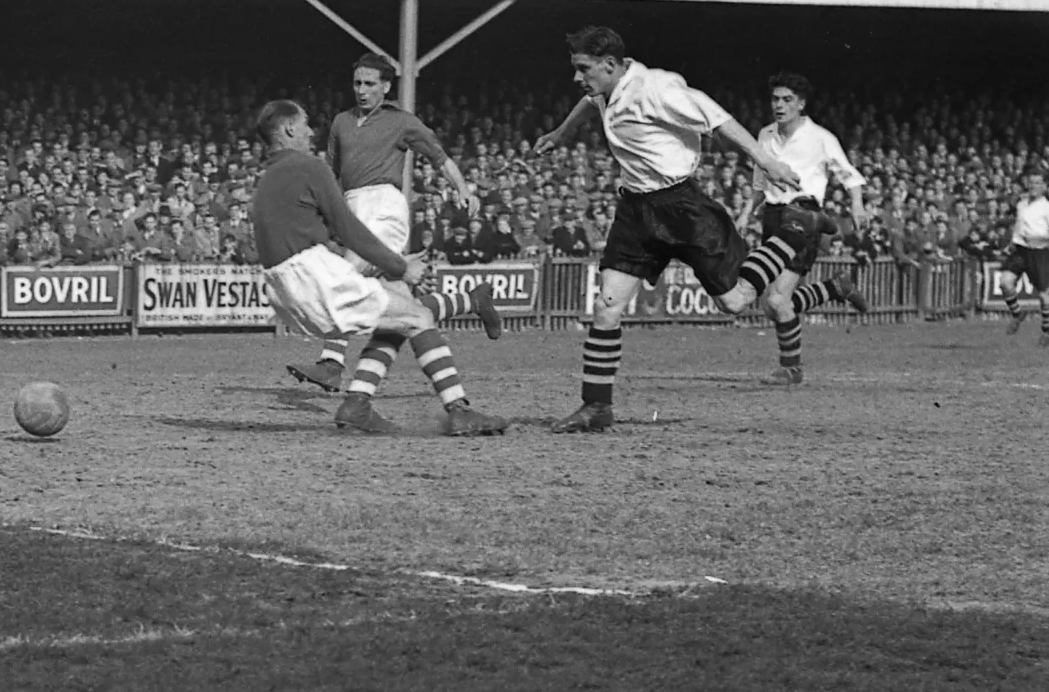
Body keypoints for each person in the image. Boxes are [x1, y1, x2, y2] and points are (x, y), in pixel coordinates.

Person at [534, 26, 805, 432]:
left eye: (583, 68)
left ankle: (797, 233)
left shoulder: (656, 88)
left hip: (683, 207)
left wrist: (766, 162)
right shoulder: (608, 87)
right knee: (607, 305)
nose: (577, 77)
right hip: (635, 211)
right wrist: (560, 133)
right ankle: (596, 406)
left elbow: (717, 118)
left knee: (735, 302)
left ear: (610, 64)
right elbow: (592, 102)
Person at [250, 98, 504, 436]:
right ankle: (459, 410)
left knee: (398, 312)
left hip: (284, 294)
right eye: (307, 124)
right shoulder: (309, 167)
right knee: (417, 318)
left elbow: (316, 234)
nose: (312, 131)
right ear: (290, 129)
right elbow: (349, 229)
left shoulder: (266, 182)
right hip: (315, 277)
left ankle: (356, 403)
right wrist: (400, 266)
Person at [287, 53, 497, 394]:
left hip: (384, 205)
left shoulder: (402, 122)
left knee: (347, 276)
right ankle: (472, 302)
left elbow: (439, 158)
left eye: (370, 84)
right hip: (354, 208)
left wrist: (463, 189)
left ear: (386, 87)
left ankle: (331, 363)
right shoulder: (341, 122)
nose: (362, 90)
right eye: (358, 83)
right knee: (400, 303)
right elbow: (333, 176)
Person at [747, 72, 873, 386]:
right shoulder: (764, 135)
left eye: (787, 99)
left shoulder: (821, 138)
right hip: (774, 218)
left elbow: (851, 177)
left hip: (804, 217)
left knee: (777, 302)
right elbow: (759, 185)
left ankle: (792, 368)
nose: (780, 105)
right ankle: (834, 288)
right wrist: (745, 214)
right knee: (770, 306)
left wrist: (857, 205)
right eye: (776, 99)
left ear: (801, 104)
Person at [998, 168, 1049, 344]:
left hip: (1040, 252)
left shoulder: (1046, 207)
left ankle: (1046, 331)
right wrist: (1012, 243)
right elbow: (1019, 228)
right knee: (1005, 282)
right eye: (1031, 182)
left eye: (1037, 182)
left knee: (1044, 295)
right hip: (1020, 250)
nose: (1033, 186)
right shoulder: (1022, 203)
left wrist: (1039, 237)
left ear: (1044, 186)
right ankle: (1018, 314)